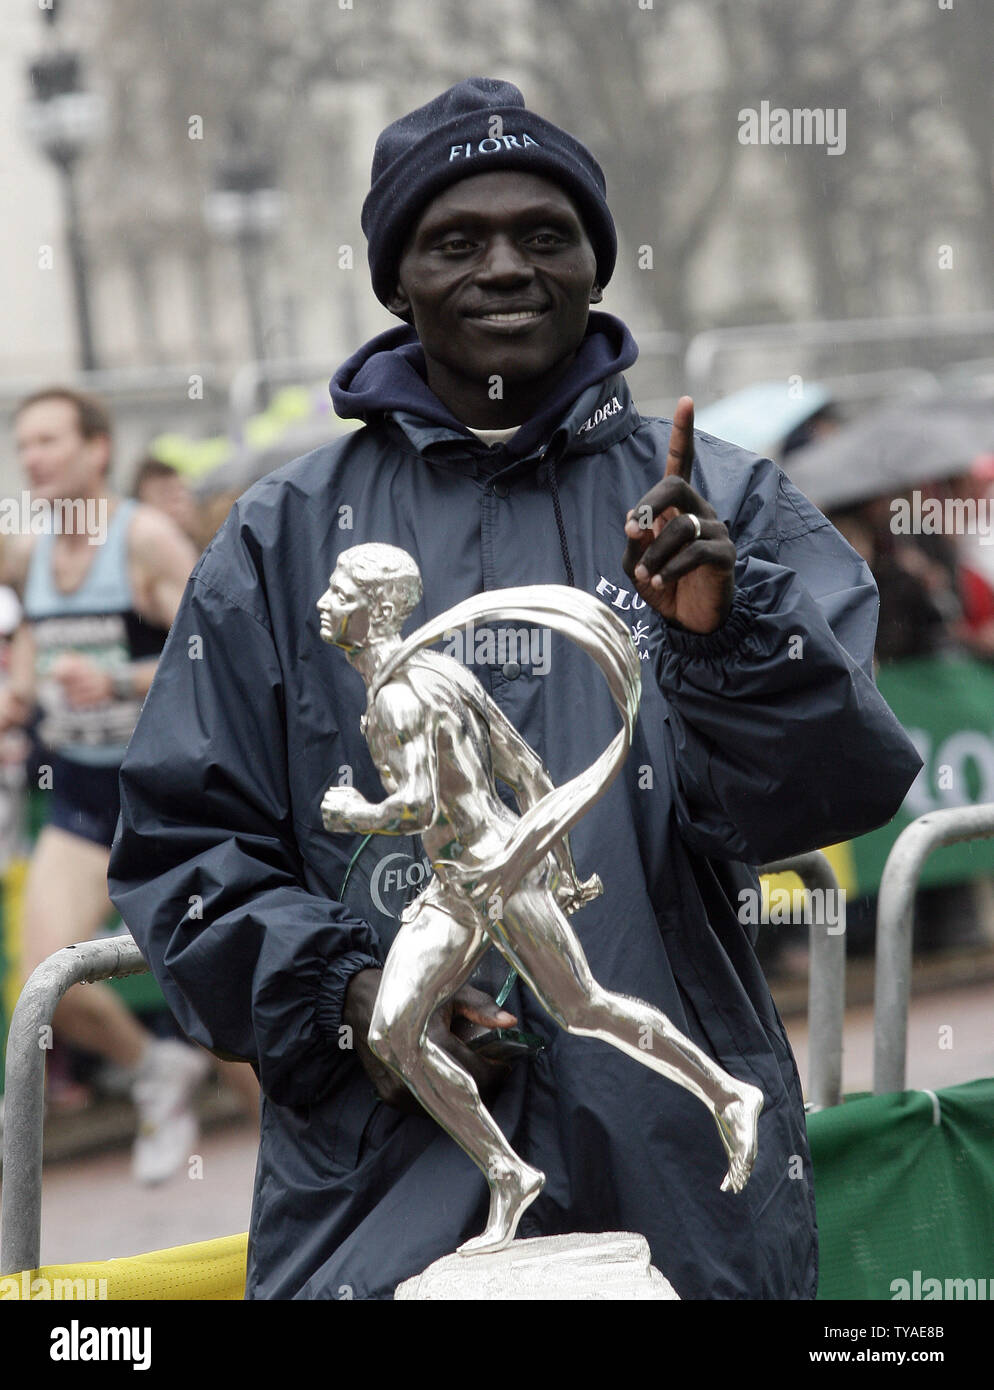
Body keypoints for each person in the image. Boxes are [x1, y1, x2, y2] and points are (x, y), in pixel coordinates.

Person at [108, 78, 922, 1297]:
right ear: (395, 281)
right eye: (455, 240)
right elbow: (182, 846)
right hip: (380, 1200)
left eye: (544, 234)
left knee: (591, 1008)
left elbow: (824, 793)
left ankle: (724, 1093)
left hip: (679, 1192)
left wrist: (723, 632)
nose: (504, 267)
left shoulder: (725, 508)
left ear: (596, 263)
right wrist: (351, 997)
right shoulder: (278, 537)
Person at [317, 542, 764, 1253]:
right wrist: (558, 863)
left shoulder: (400, 696)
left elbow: (416, 805)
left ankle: (727, 1092)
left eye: (338, 593)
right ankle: (509, 1173)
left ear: (374, 613)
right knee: (392, 1031)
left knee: (584, 1009)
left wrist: (353, 812)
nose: (322, 604)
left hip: (493, 877)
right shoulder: (440, 673)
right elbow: (525, 766)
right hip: (462, 883)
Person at [2, 388, 211, 1183]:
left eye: (50, 440)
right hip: (84, 797)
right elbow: (34, 635)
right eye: (24, 444)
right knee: (39, 986)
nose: (33, 458)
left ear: (97, 448)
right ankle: (155, 1068)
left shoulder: (145, 538)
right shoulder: (30, 553)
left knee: (219, 1010)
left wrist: (120, 677)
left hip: (165, 797)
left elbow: (217, 653)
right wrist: (20, 688)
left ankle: (301, 1192)